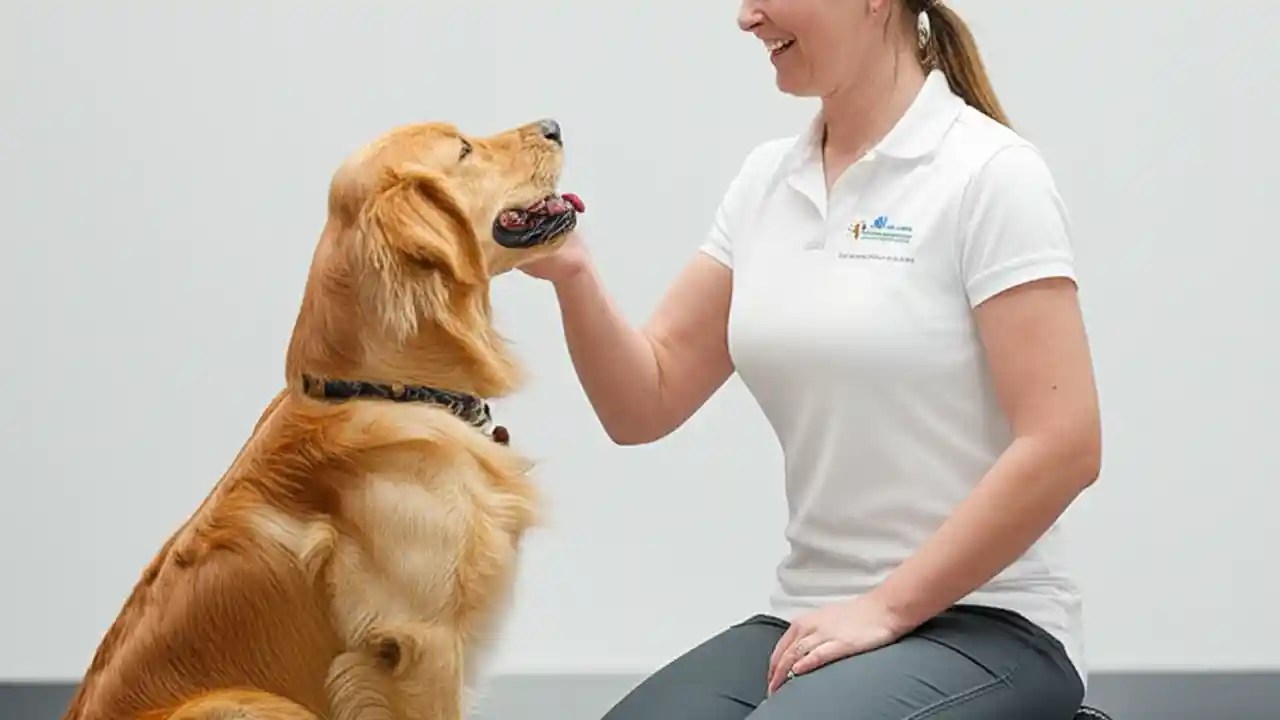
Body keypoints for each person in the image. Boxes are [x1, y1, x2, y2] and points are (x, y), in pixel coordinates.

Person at [521, 0, 1101, 717]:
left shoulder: (990, 174)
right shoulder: (769, 180)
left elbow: (1065, 444)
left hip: (991, 623)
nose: (747, 16)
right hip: (814, 615)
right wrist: (573, 271)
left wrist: (887, 608)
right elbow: (646, 401)